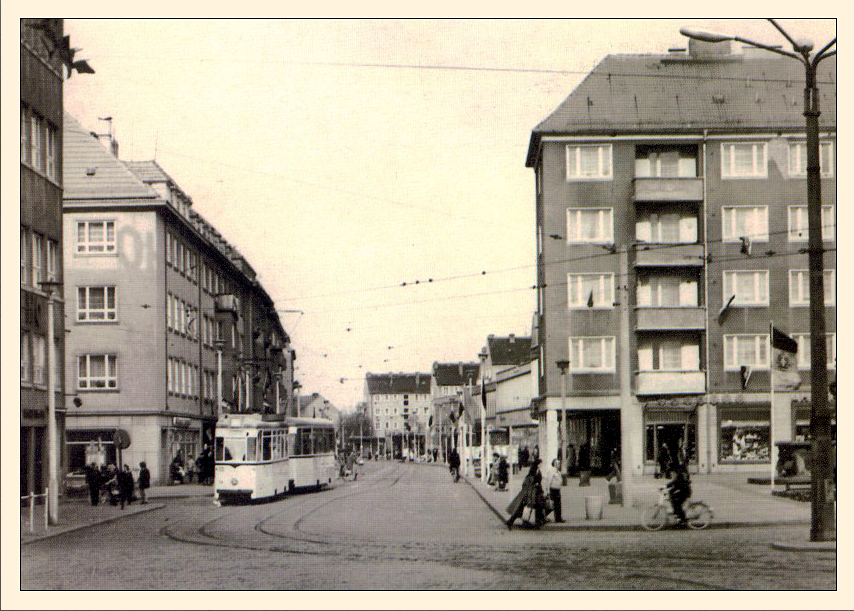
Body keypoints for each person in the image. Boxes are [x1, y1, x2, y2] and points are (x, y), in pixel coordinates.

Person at [506, 459, 545, 529]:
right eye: (540, 463)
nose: (541, 465)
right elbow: (529, 483)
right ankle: (512, 521)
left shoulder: (538, 471)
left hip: (535, 493)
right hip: (530, 494)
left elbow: (538, 482)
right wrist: (535, 485)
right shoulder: (533, 472)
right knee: (523, 508)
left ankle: (538, 523)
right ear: (538, 464)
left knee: (536, 507)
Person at [544, 458, 565, 522]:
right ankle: (543, 516)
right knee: (551, 505)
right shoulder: (551, 471)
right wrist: (548, 491)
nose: (559, 464)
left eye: (559, 463)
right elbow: (548, 481)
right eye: (557, 463)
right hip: (553, 490)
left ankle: (558, 518)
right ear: (554, 464)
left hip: (557, 489)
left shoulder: (558, 471)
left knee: (558, 504)